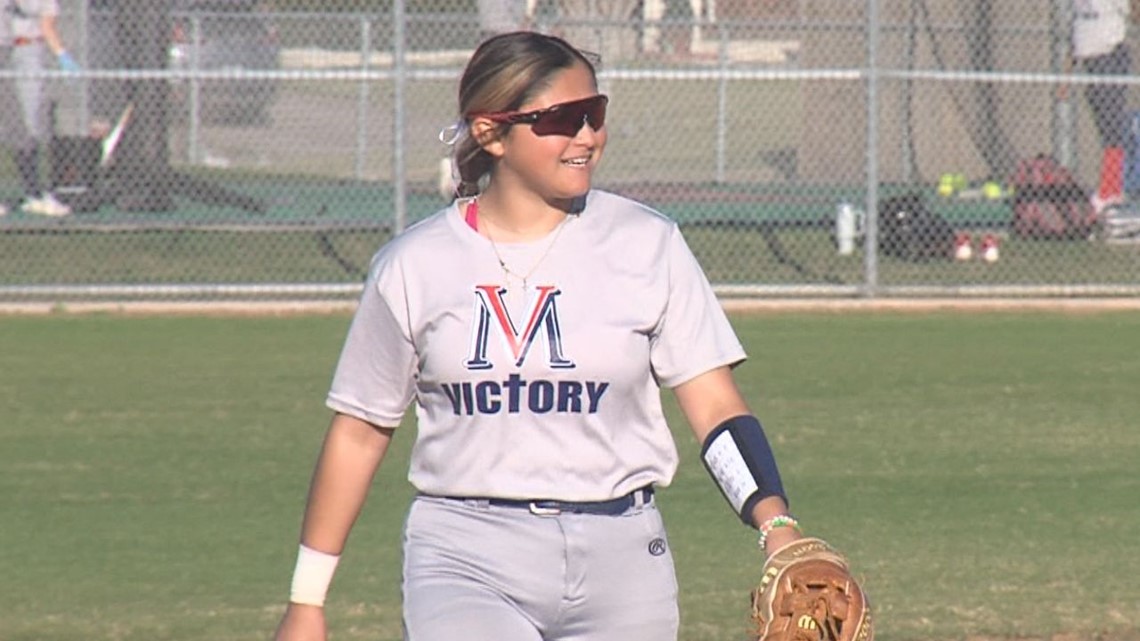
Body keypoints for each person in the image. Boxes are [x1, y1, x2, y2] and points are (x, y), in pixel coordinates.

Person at [275, 31, 807, 641]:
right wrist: (306, 601)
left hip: (624, 557)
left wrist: (776, 524)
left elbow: (716, 408)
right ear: (489, 132)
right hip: (466, 554)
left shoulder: (646, 244)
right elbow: (361, 431)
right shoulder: (415, 264)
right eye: (560, 119)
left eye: (593, 113)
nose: (586, 135)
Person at [4, 0, 81, 217]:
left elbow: (46, 25)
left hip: (28, 49)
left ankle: (34, 194)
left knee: (29, 124)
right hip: (5, 49)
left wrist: (62, 55)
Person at [1070, 0, 1140, 213]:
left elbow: (1134, 11)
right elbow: (1076, 35)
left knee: (1112, 127)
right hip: (1089, 62)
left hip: (1110, 57)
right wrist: (1066, 76)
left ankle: (1111, 190)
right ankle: (1109, 188)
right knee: (1104, 126)